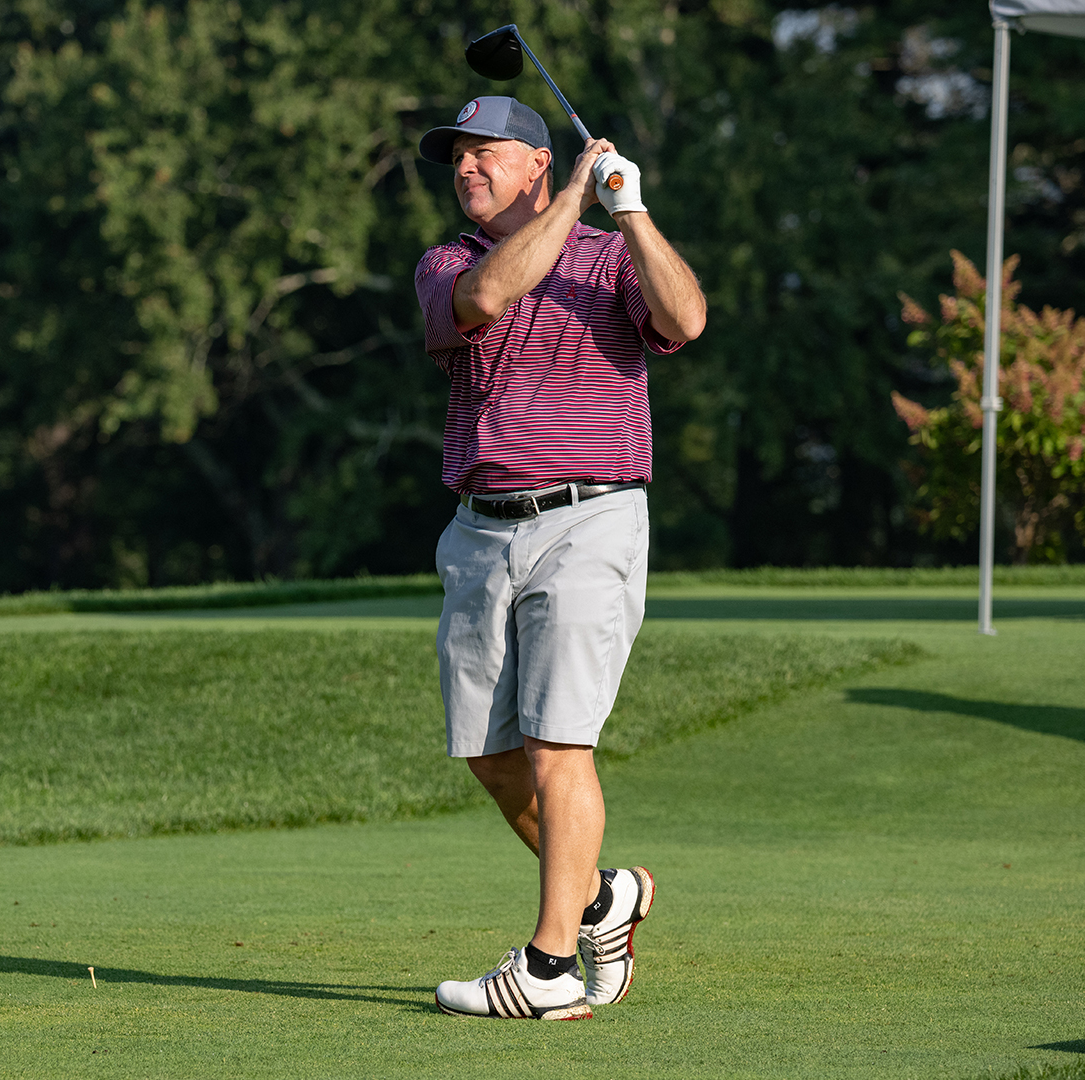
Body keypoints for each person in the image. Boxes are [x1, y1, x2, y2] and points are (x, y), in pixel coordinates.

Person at [413, 96, 706, 1020]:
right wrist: (579, 195)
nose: (465, 167)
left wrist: (632, 209)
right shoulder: (447, 263)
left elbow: (688, 319)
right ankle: (601, 897)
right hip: (479, 528)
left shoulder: (611, 256)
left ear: (536, 162)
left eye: (484, 152)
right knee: (491, 754)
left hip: (591, 519)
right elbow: (490, 298)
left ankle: (546, 970)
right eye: (456, 156)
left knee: (555, 745)